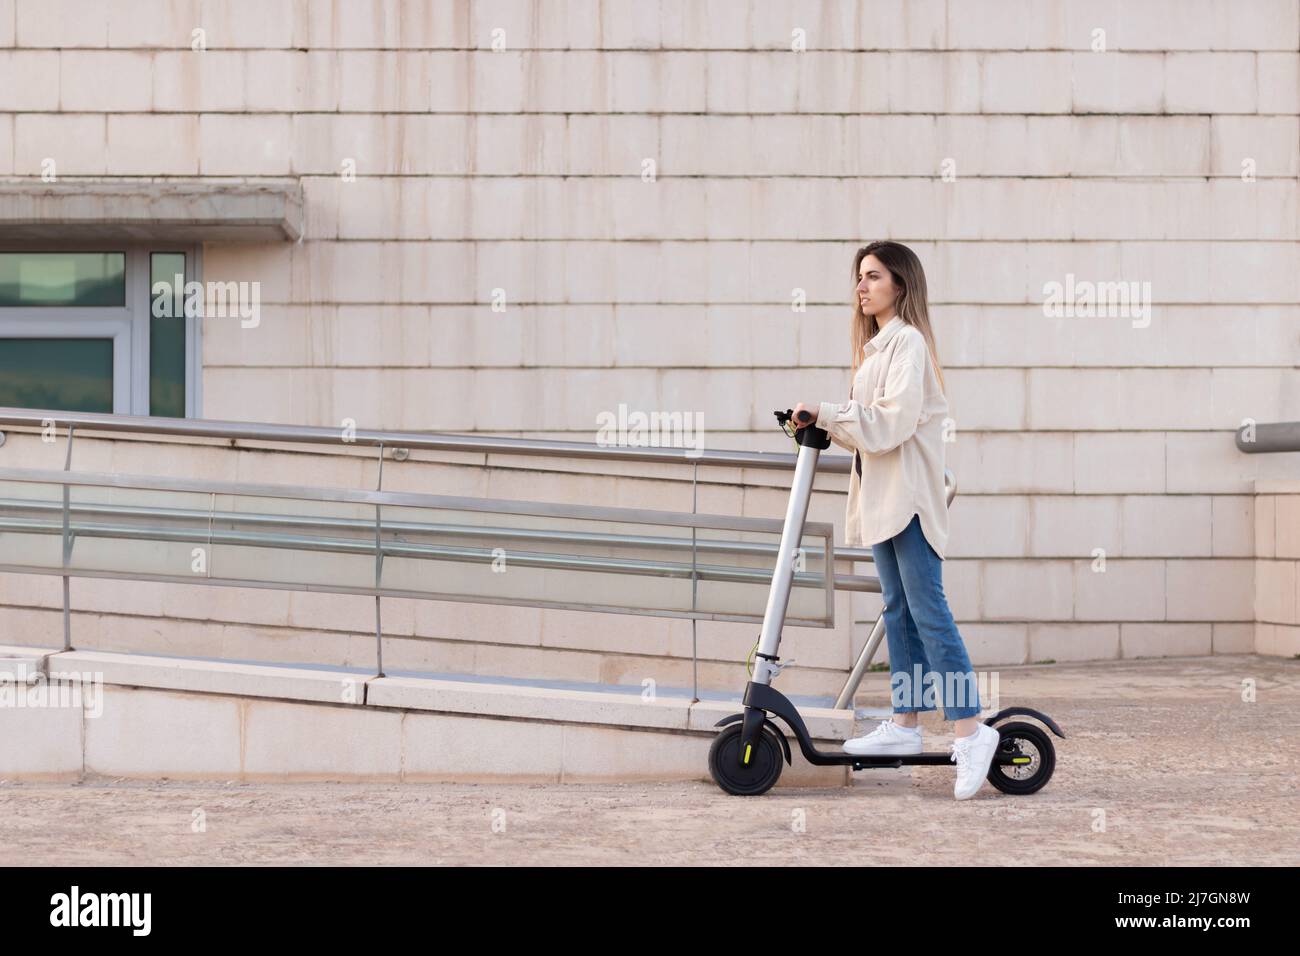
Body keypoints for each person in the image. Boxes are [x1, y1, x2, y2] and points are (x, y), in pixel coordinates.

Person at [792, 240, 999, 800]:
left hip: (907, 501)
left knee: (929, 613)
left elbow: (890, 423)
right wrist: (821, 421)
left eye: (873, 276)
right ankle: (905, 724)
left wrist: (832, 413)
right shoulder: (876, 352)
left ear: (900, 285)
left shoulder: (907, 344)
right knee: (898, 611)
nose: (861, 287)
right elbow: (867, 427)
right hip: (883, 504)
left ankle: (970, 730)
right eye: (859, 277)